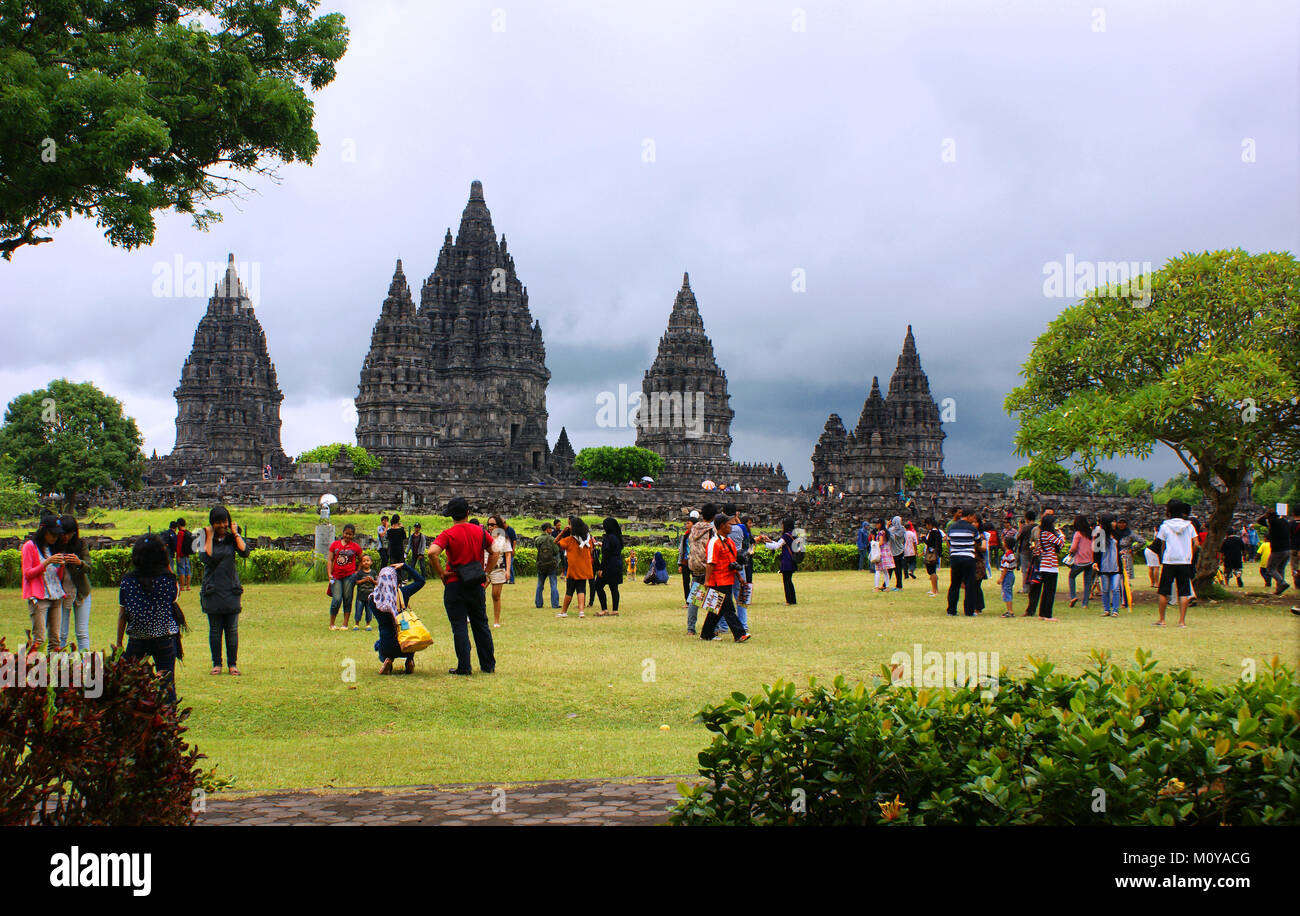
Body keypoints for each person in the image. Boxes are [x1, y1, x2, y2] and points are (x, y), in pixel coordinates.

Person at [426, 498, 497, 676]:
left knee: (459, 625)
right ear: (468, 513)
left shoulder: (448, 534)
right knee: (481, 624)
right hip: (475, 583)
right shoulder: (480, 532)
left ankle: (464, 666)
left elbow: (432, 552)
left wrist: (441, 573)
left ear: (451, 516)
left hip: (454, 584)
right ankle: (488, 665)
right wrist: (486, 572)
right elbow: (495, 551)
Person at [115, 533, 182, 704]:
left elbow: (123, 614)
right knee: (167, 683)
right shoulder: (168, 580)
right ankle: (169, 718)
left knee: (133, 682)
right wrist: (167, 565)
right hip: (165, 637)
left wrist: (119, 642)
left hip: (137, 637)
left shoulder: (128, 581)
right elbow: (174, 598)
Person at [200, 506, 250, 675]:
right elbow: (207, 557)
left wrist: (236, 533)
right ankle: (216, 664)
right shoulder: (204, 538)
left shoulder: (231, 539)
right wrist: (208, 536)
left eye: (224, 521)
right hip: (213, 590)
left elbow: (245, 552)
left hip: (231, 589)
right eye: (218, 522)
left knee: (232, 630)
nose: (222, 525)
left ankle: (232, 664)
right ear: (212, 523)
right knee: (215, 630)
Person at [699, 513, 751, 642]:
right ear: (722, 526)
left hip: (728, 579)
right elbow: (710, 563)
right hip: (717, 580)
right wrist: (707, 581)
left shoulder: (729, 542)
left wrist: (739, 577)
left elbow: (732, 562)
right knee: (728, 608)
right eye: (728, 524)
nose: (731, 527)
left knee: (717, 609)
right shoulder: (714, 542)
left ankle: (706, 634)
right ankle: (739, 634)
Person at [370, 562, 426, 675]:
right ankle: (409, 660)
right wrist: (405, 566)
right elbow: (421, 581)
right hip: (406, 643)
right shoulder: (402, 593)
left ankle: (388, 659)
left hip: (387, 646)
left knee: (379, 643)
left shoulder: (373, 599)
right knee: (410, 638)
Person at [22, 515, 67, 652]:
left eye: (57, 535)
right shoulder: (30, 547)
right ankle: (36, 670)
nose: (54, 537)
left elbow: (57, 577)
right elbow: (28, 573)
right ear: (43, 531)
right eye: (52, 534)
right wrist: (47, 562)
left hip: (56, 595)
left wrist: (61, 566)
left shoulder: (53, 548)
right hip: (39, 597)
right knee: (39, 639)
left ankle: (53, 672)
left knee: (55, 640)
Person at [1154, 499, 1198, 627]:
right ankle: (1182, 621)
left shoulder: (1165, 526)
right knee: (1184, 591)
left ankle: (1162, 620)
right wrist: (1189, 554)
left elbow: (1161, 544)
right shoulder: (1189, 526)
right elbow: (1196, 543)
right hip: (1184, 561)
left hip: (1169, 561)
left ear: (1169, 511)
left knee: (1163, 591)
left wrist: (1163, 556)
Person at [57, 515, 93, 652]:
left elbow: (89, 568)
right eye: (63, 534)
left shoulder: (80, 544)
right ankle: (57, 666)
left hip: (81, 592)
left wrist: (79, 563)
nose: (66, 537)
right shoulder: (53, 546)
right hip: (60, 593)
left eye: (69, 534)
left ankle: (86, 666)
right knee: (61, 633)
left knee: (82, 632)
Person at [1024, 513, 1065, 620]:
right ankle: (1047, 614)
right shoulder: (1048, 534)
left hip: (1044, 565)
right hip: (1050, 565)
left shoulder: (1042, 533)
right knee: (1049, 591)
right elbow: (1060, 543)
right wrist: (1061, 534)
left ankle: (1043, 614)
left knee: (1046, 591)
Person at [685, 505, 718, 632]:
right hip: (708, 566)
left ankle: (690, 628)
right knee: (713, 597)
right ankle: (714, 627)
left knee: (694, 599)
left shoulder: (693, 529)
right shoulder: (712, 530)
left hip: (695, 566)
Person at [327, 523, 364, 630]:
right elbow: (330, 560)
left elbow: (362, 559)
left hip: (350, 576)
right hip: (336, 577)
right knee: (337, 599)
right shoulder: (335, 545)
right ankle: (332, 624)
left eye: (350, 534)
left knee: (348, 599)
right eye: (346, 533)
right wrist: (329, 574)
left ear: (353, 535)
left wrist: (357, 571)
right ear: (343, 533)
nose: (348, 536)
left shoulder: (355, 547)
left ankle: (345, 624)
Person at [556, 517, 595, 618]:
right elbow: (591, 551)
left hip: (573, 570)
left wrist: (563, 531)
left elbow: (555, 542)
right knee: (581, 589)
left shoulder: (569, 540)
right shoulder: (587, 540)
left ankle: (564, 612)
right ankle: (581, 611)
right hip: (583, 569)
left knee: (569, 591)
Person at [944, 508, 980, 616]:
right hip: (968, 558)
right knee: (969, 585)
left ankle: (951, 610)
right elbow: (978, 542)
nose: (974, 519)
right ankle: (969, 611)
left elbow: (949, 542)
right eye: (973, 517)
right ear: (968, 516)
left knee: (954, 584)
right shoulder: (972, 529)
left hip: (955, 558)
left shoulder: (951, 527)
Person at [758, 517, 798, 606]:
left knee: (786, 581)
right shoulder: (793, 534)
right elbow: (780, 544)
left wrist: (764, 543)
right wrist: (770, 541)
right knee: (789, 580)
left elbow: (777, 546)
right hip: (792, 560)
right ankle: (793, 599)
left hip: (787, 560)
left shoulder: (786, 535)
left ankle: (789, 601)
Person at [593, 517, 624, 616]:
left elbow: (606, 555)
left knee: (598, 585)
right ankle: (615, 610)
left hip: (609, 565)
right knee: (614, 587)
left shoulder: (608, 537)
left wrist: (601, 568)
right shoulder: (618, 537)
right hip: (617, 564)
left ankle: (604, 609)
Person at [1094, 515, 1123, 617]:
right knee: (1105, 589)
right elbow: (1096, 552)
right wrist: (1095, 563)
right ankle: (1106, 609)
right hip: (1104, 566)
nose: (1115, 524)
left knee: (1115, 588)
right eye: (1113, 522)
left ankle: (1115, 610)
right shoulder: (1100, 536)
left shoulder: (1116, 534)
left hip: (1115, 566)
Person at [486, 515, 512, 628]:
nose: (490, 527)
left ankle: (496, 621)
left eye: (492, 524)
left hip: (498, 569)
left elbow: (508, 555)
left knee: (496, 596)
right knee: (477, 593)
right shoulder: (485, 537)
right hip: (485, 569)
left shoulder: (503, 539)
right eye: (488, 524)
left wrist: (508, 570)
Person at [1067, 516, 1096, 609]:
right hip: (1090, 561)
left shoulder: (1078, 534)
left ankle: (1073, 596)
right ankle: (1085, 603)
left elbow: (1074, 547)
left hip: (1079, 561)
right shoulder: (1091, 534)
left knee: (1071, 576)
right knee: (1087, 582)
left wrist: (1070, 551)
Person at [1261, 510, 1291, 596]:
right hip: (1287, 548)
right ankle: (1279, 589)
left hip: (1278, 549)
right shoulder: (1284, 522)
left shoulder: (1273, 524)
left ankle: (1282, 582)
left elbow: (1260, 521)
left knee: (1270, 568)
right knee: (1280, 568)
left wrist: (1265, 516)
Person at [534, 522, 561, 609]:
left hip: (541, 564)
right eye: (550, 528)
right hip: (551, 564)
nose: (551, 530)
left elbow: (537, 549)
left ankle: (538, 604)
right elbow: (556, 551)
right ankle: (555, 604)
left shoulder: (538, 539)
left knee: (540, 585)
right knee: (553, 584)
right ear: (548, 529)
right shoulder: (551, 539)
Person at [678, 511, 699, 607]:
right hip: (686, 561)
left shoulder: (699, 535)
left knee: (696, 581)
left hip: (696, 561)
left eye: (688, 523)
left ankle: (696, 600)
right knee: (686, 582)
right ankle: (688, 601)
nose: (686, 525)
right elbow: (681, 550)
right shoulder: (685, 536)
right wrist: (680, 563)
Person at [352, 553, 378, 631]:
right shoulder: (360, 573)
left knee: (369, 610)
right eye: (364, 561)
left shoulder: (373, 572)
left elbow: (377, 582)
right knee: (358, 610)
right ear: (361, 563)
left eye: (367, 560)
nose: (366, 562)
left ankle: (368, 624)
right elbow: (356, 582)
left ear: (371, 562)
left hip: (370, 596)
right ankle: (356, 624)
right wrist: (363, 580)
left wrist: (372, 580)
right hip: (360, 596)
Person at [1016, 510, 1039, 593]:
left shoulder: (1025, 527)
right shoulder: (1038, 527)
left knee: (1025, 569)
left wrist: (1020, 528)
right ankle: (1035, 586)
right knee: (1035, 569)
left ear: (1026, 518)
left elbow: (1018, 537)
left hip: (1025, 550)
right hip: (1035, 550)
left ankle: (1026, 588)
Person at [997, 534, 1017, 618]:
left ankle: (1010, 611)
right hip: (1011, 574)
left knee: (1007, 592)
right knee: (1008, 591)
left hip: (1007, 575)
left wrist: (1001, 578)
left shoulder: (1007, 555)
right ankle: (1009, 610)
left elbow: (1005, 567)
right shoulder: (1011, 553)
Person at [922, 518, 943, 597]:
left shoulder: (933, 532)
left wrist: (924, 539)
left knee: (932, 571)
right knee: (932, 571)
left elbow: (930, 543)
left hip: (931, 554)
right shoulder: (938, 532)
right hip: (935, 554)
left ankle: (934, 589)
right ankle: (934, 589)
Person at [886, 516, 907, 590]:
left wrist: (887, 526)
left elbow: (887, 535)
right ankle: (898, 585)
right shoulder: (903, 529)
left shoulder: (891, 530)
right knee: (897, 569)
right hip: (900, 550)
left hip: (894, 551)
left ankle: (888, 584)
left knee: (891, 569)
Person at [174, 516, 194, 591]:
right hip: (187, 554)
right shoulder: (188, 532)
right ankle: (188, 586)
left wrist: (178, 555)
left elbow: (179, 545)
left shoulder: (180, 533)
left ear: (179, 525)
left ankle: (182, 586)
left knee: (181, 570)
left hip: (181, 554)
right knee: (188, 569)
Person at [504, 519, 518, 584]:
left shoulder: (511, 530)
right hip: (503, 550)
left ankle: (512, 580)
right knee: (504, 565)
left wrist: (513, 549)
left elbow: (514, 540)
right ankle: (505, 579)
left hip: (510, 550)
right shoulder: (501, 530)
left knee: (510, 565)